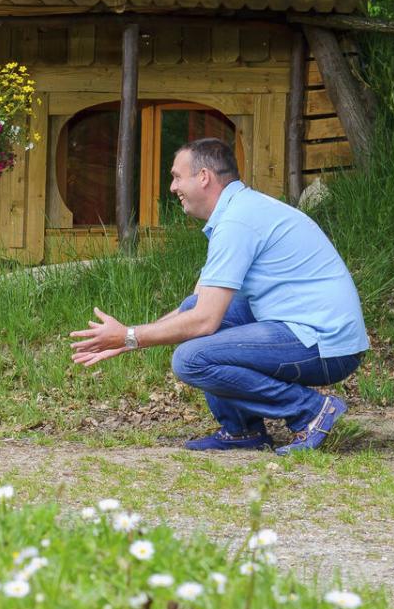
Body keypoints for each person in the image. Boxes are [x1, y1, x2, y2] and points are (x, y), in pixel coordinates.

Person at [69, 138, 368, 454]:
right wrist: (128, 338)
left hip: (325, 343)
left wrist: (131, 337)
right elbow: (196, 307)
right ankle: (243, 429)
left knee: (190, 359)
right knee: (193, 311)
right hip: (307, 332)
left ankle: (310, 411)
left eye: (176, 176)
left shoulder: (238, 221)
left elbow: (204, 322)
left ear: (203, 177)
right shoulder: (241, 211)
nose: (172, 187)